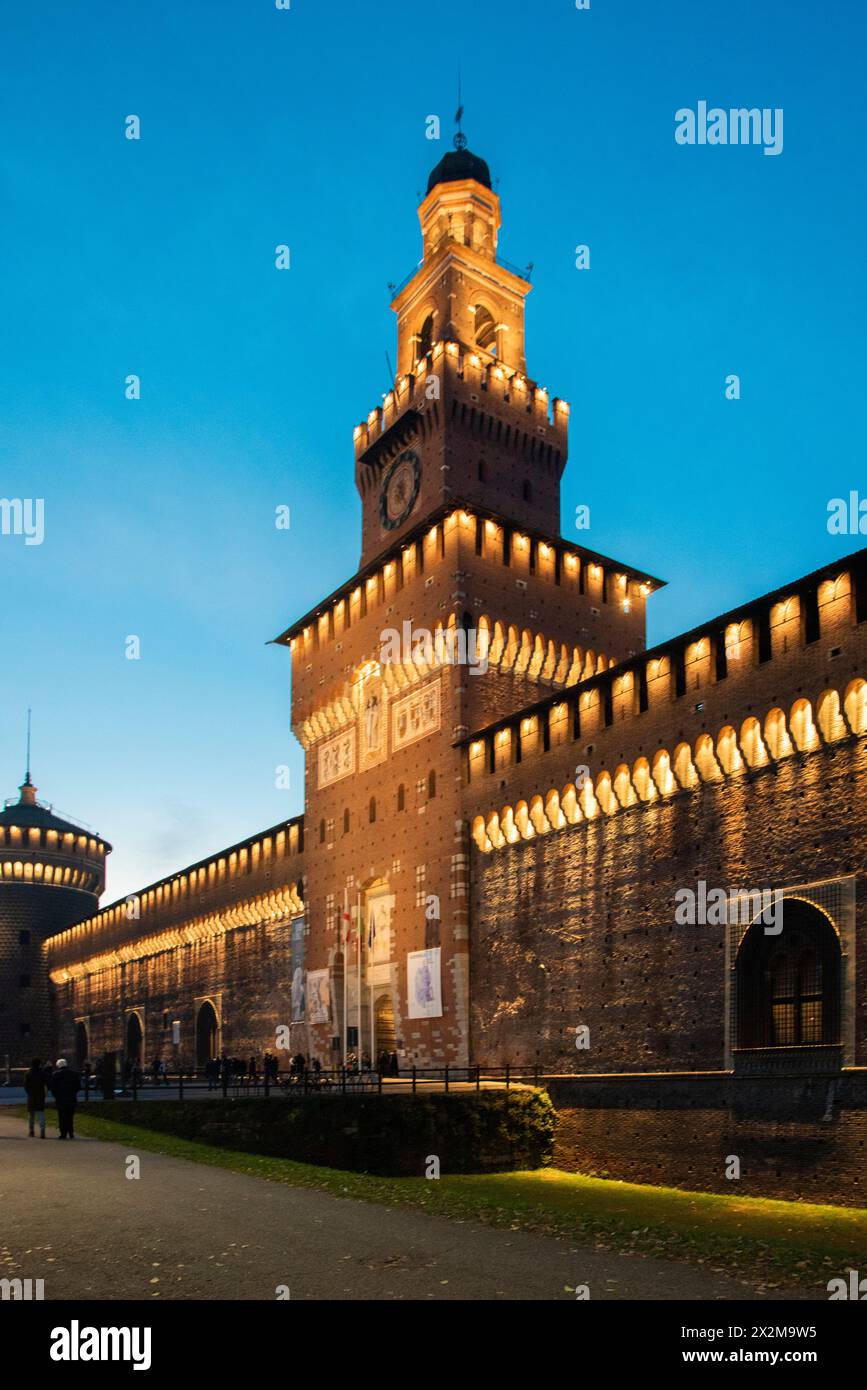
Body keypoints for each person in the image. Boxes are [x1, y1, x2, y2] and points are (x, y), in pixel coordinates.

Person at [49, 1058, 81, 1140]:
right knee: (70, 1116)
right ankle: (71, 1132)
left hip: (60, 1099)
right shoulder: (74, 1074)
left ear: (58, 1065)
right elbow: (78, 1087)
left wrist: (56, 1095)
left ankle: (63, 1133)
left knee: (62, 1117)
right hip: (71, 1098)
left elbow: (53, 1087)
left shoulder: (55, 1075)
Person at [24, 1058, 46, 1138]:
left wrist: (29, 1092)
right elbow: (46, 1084)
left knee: (31, 1115)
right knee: (41, 1113)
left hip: (31, 1096)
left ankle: (31, 1131)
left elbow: (25, 1086)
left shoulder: (28, 1073)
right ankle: (42, 1130)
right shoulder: (42, 1073)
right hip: (40, 1095)